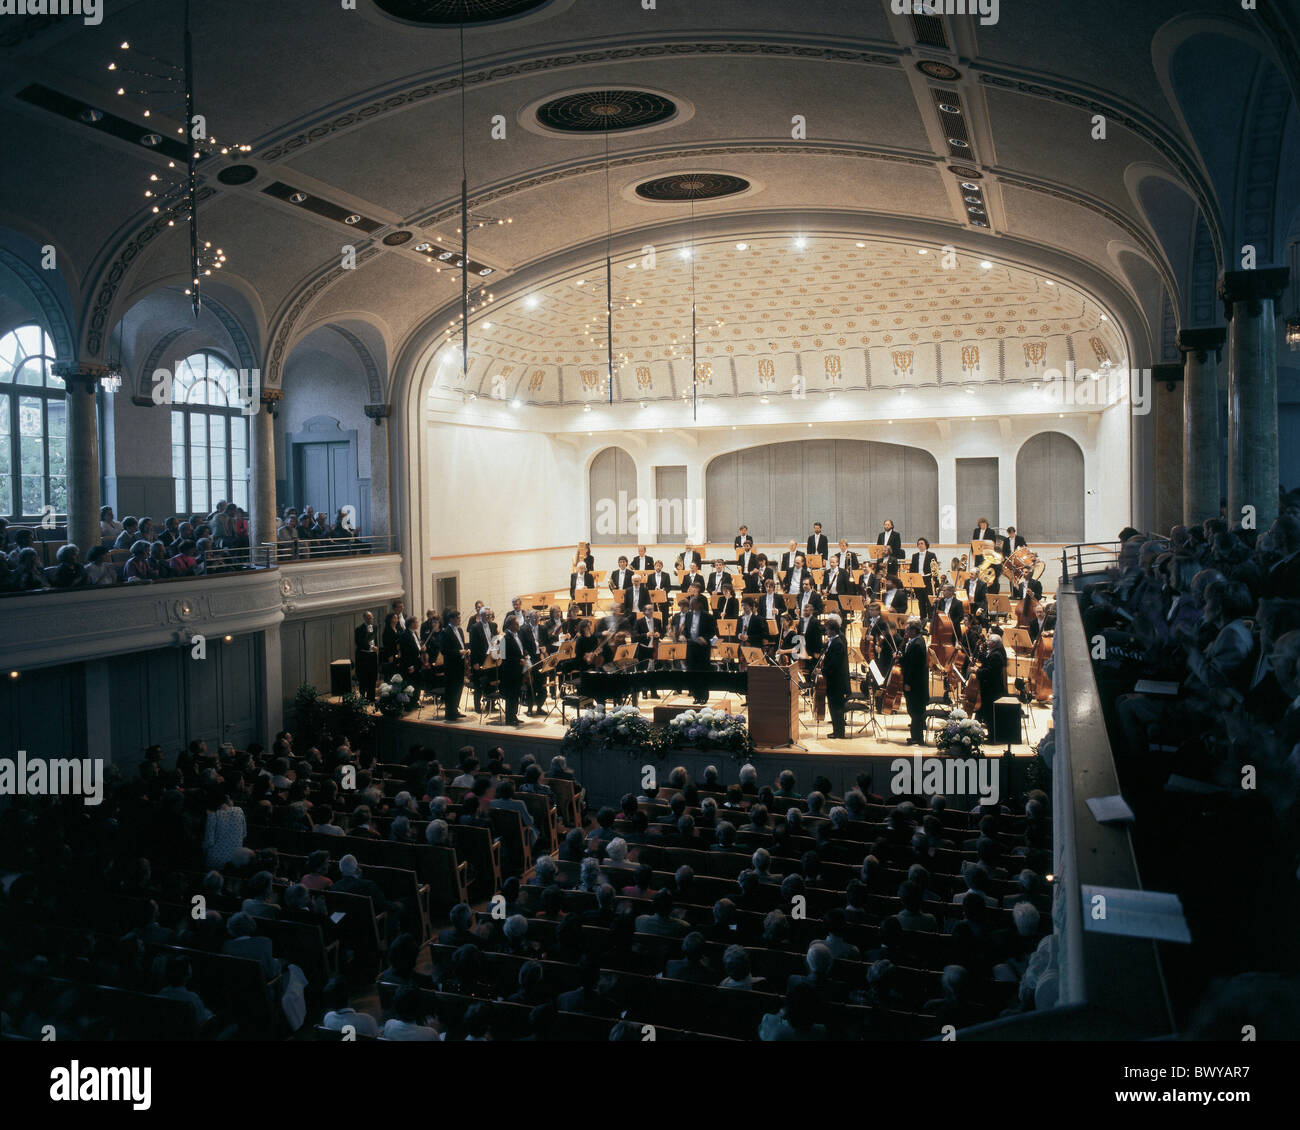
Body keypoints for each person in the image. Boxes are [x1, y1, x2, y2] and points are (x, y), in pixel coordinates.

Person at [682, 593, 717, 704]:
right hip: (691, 647)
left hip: (702, 648)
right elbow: (686, 630)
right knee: (692, 672)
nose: (690, 602)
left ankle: (704, 696)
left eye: (693, 601)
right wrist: (683, 635)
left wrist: (705, 638)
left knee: (702, 672)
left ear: (699, 604)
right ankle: (696, 696)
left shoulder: (708, 616)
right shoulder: (688, 615)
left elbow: (712, 632)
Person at [900, 618, 929, 745]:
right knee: (913, 711)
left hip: (915, 685)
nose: (905, 631)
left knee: (915, 711)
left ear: (913, 630)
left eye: (907, 629)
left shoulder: (917, 644)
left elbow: (913, 667)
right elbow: (908, 661)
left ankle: (918, 738)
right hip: (915, 684)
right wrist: (900, 658)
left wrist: (908, 683)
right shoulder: (915, 641)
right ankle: (915, 736)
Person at [822, 614, 851, 739]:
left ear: (833, 630)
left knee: (836, 708)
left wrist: (822, 671)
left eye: (827, 629)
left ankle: (839, 733)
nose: (826, 632)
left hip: (837, 682)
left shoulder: (838, 643)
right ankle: (836, 731)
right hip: (832, 681)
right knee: (833, 707)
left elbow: (834, 664)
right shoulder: (833, 641)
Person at [439, 609, 469, 720]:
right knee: (451, 689)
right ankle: (449, 713)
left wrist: (465, 651)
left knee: (459, 688)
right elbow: (444, 650)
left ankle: (455, 709)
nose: (459, 619)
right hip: (451, 666)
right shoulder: (445, 632)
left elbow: (461, 645)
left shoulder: (460, 630)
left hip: (460, 664)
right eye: (457, 618)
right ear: (451, 619)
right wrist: (458, 652)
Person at [355, 611, 379, 700]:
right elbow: (359, 643)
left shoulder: (375, 627)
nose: (371, 619)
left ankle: (371, 697)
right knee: (364, 677)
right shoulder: (359, 629)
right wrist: (371, 647)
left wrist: (375, 648)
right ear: (364, 618)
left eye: (371, 618)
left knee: (372, 676)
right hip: (363, 656)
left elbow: (375, 640)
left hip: (372, 656)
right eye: (369, 618)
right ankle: (362, 697)